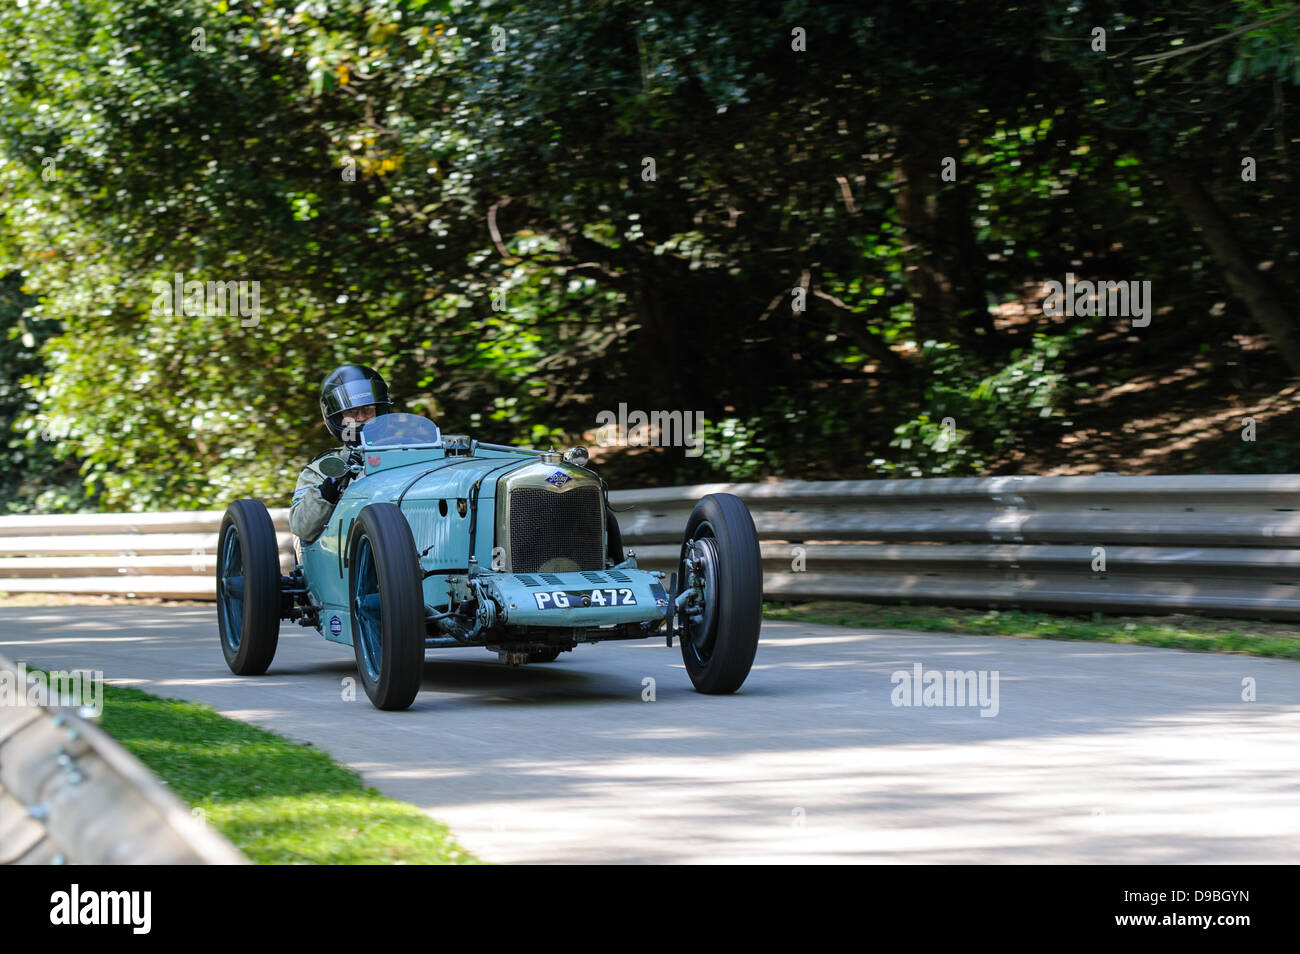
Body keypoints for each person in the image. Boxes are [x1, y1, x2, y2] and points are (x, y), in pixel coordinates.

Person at [289, 364, 392, 543]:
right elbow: (301, 528)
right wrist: (332, 485)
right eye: (352, 412)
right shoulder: (320, 470)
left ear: (380, 410)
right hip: (348, 555)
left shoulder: (410, 455)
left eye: (368, 410)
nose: (360, 418)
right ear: (337, 418)